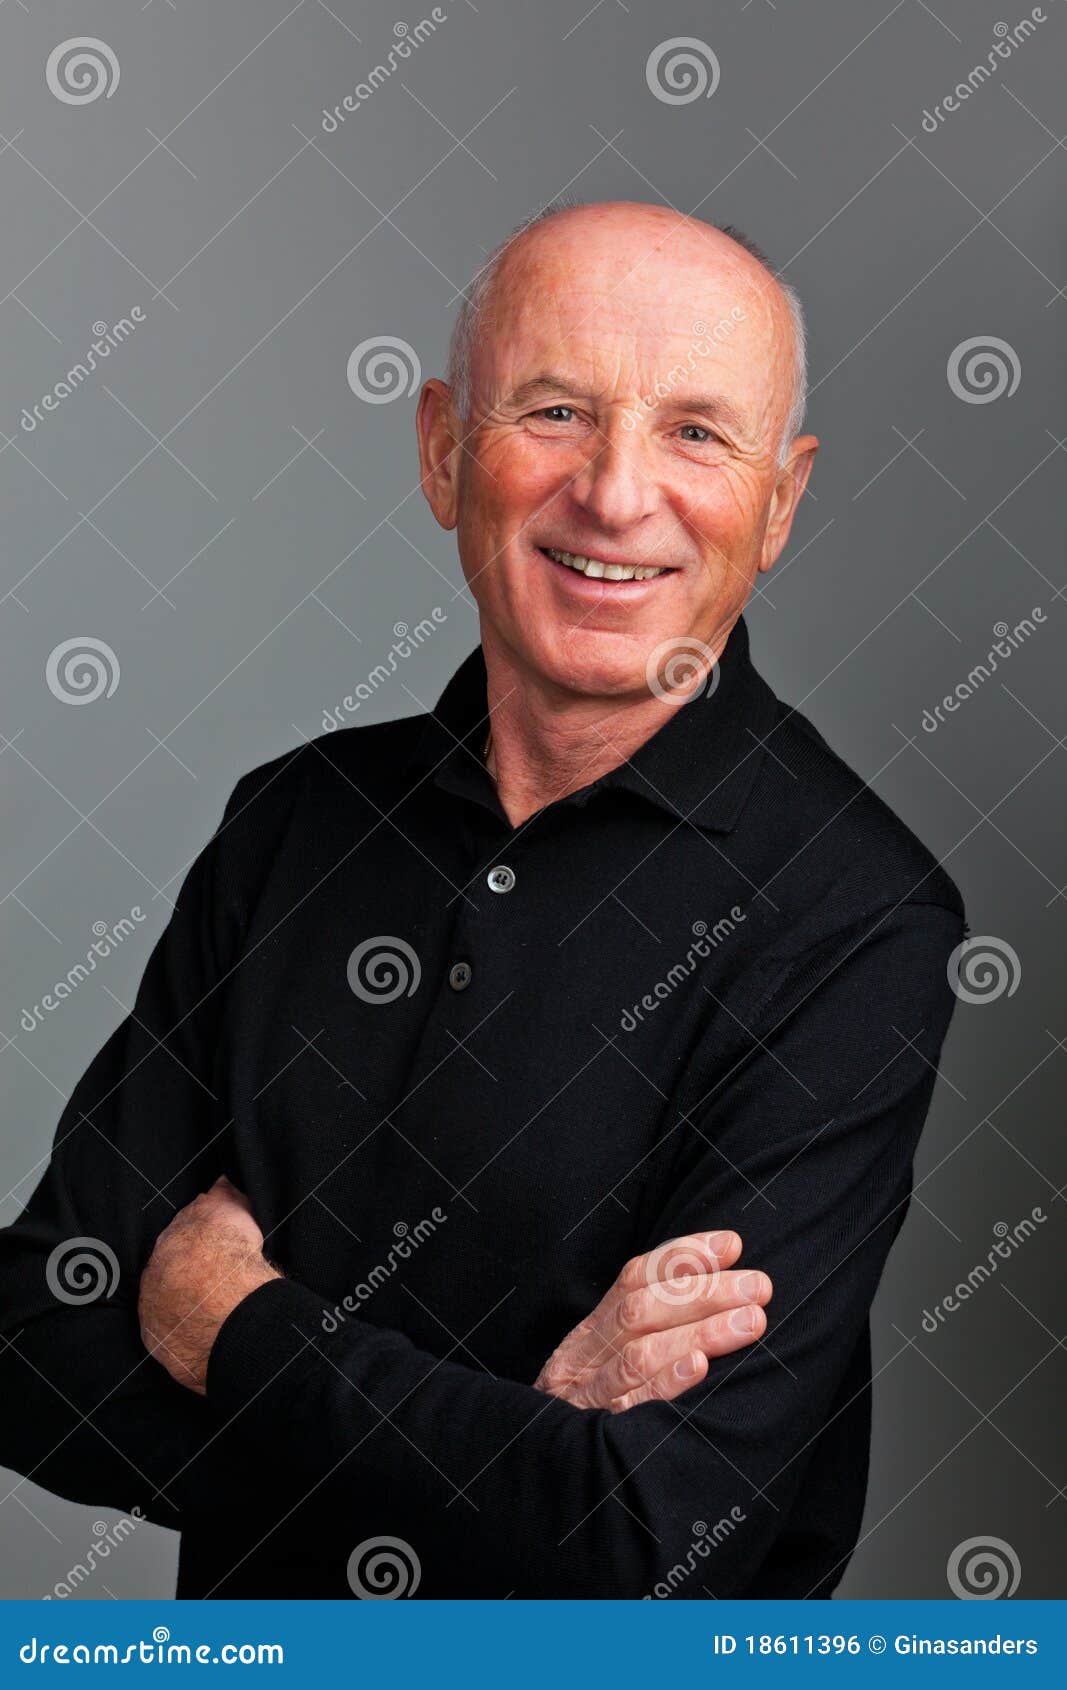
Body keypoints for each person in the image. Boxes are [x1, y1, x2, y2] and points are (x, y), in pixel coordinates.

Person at [0, 199, 966, 1598]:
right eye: (558, 410)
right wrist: (504, 1458)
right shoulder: (296, 822)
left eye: (698, 430)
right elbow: (38, 1337)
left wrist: (242, 1325)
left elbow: (647, 1538)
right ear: (447, 450)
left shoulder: (859, 919)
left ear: (783, 500)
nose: (618, 493)